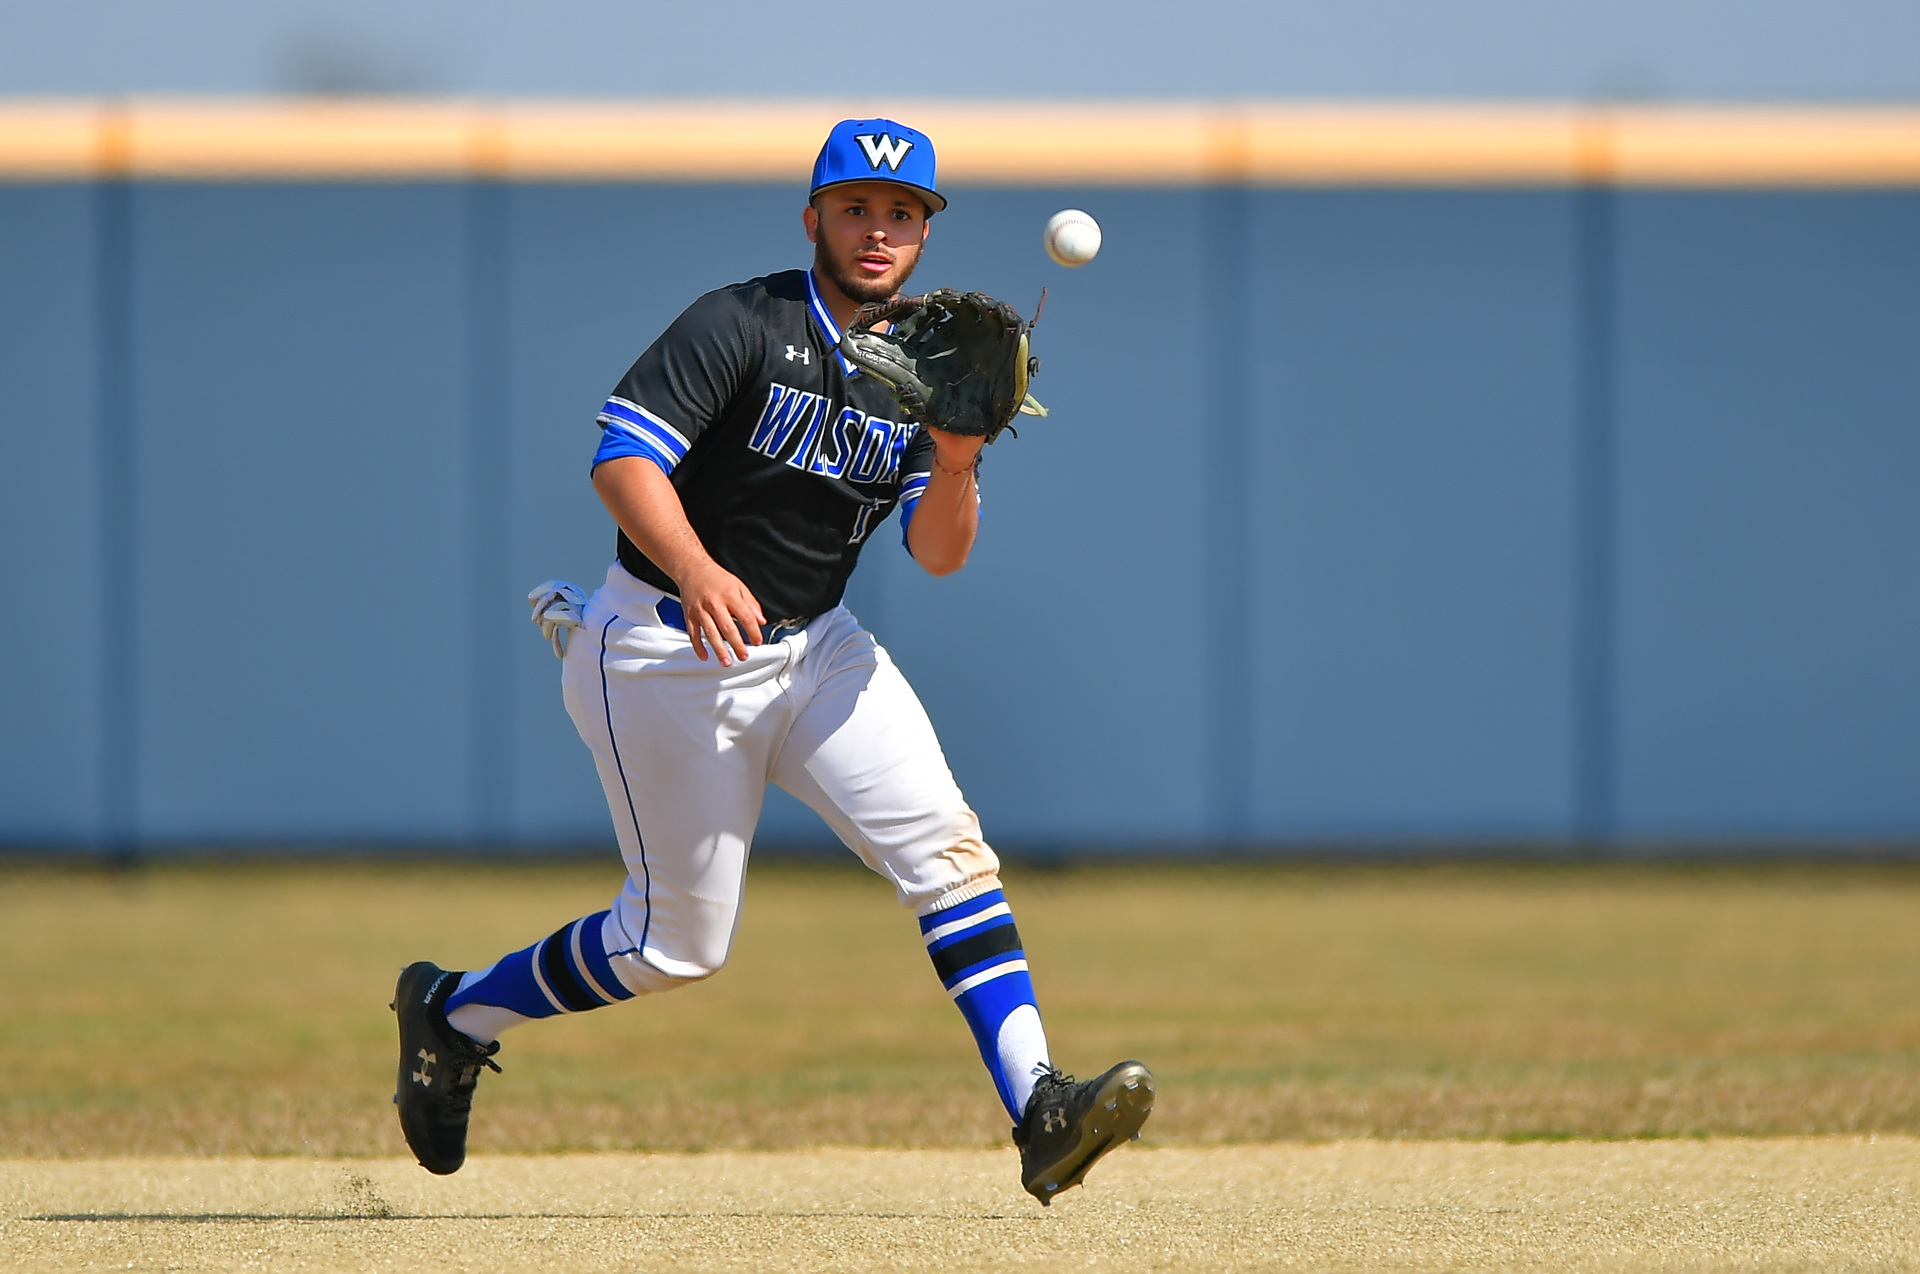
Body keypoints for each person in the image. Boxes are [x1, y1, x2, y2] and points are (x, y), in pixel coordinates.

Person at [391, 117, 1152, 1204]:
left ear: (925, 233)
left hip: (817, 648)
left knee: (949, 854)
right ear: (814, 219)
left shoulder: (926, 364)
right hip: (662, 645)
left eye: (902, 214)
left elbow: (938, 556)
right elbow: (622, 461)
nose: (878, 230)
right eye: (856, 208)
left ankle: (1040, 1106)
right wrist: (697, 567)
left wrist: (957, 461)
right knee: (673, 947)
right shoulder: (742, 322)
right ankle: (454, 1012)